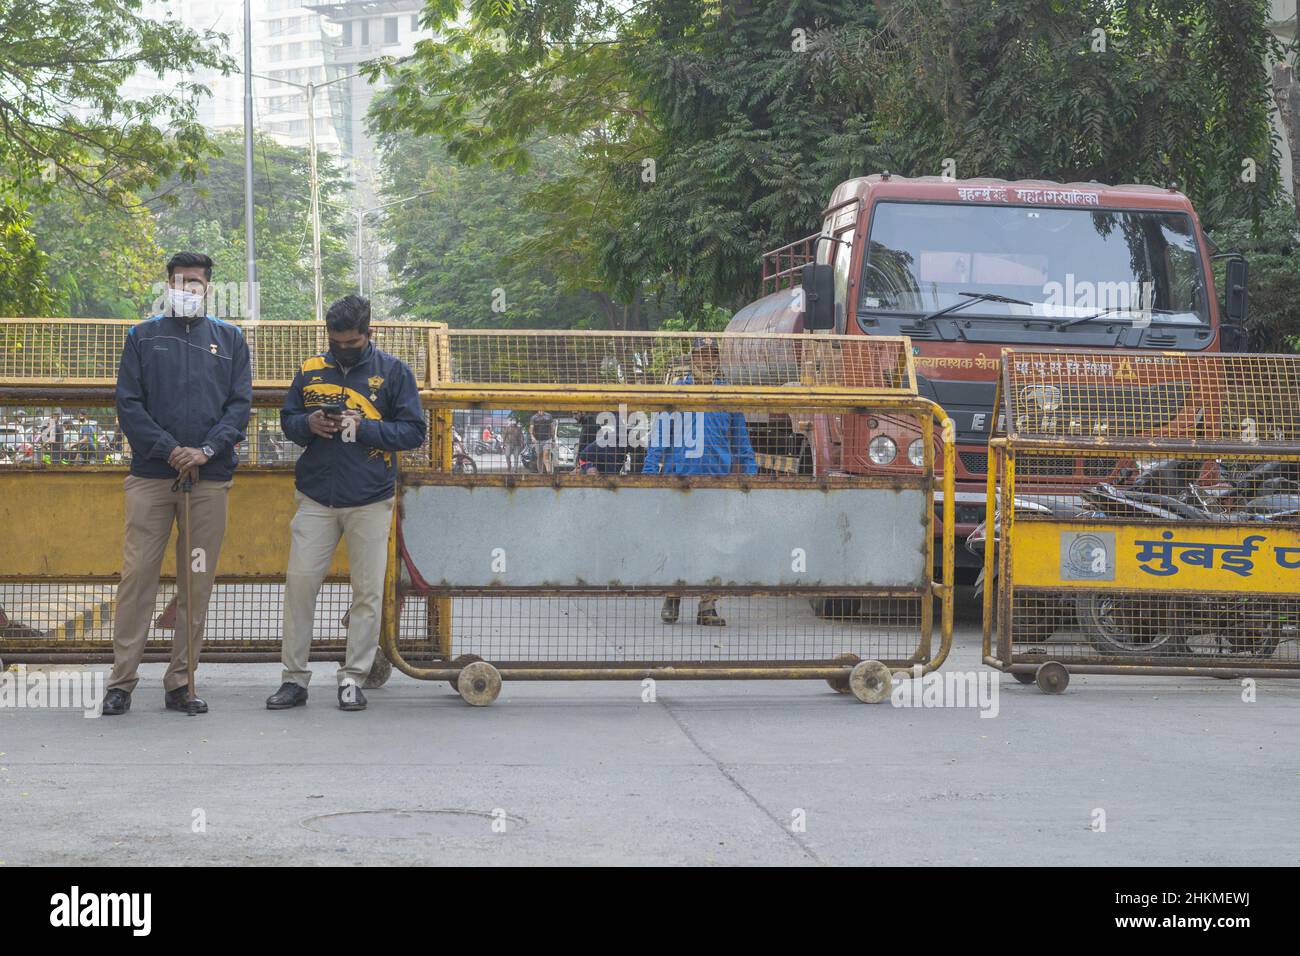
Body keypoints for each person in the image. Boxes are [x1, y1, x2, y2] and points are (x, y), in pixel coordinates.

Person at [102, 251, 253, 716]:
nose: (186, 287)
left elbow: (239, 405)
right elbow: (129, 404)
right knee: (137, 579)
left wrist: (205, 451)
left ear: (208, 288)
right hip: (151, 478)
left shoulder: (229, 340)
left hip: (209, 482)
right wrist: (170, 450)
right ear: (166, 284)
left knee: (196, 581)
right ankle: (122, 681)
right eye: (179, 280)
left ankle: (181, 682)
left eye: (195, 281)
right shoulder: (143, 337)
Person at [266, 295, 427, 713]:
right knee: (300, 585)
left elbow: (413, 432)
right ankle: (294, 678)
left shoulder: (394, 372)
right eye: (335, 341)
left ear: (369, 334)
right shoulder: (309, 369)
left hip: (370, 497)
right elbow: (287, 420)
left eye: (350, 342)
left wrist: (365, 427)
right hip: (316, 495)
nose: (342, 348)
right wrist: (309, 423)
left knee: (368, 591)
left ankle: (353, 676)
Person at [643, 337, 756, 627]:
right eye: (701, 355)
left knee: (715, 542)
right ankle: (673, 594)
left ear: (718, 359)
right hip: (678, 479)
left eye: (711, 355)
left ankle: (708, 605)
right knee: (677, 539)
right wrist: (647, 479)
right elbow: (659, 438)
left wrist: (750, 476)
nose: (706, 360)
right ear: (692, 358)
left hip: (717, 481)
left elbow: (741, 440)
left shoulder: (728, 395)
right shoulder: (678, 392)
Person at [529, 409, 556, 474]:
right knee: (539, 456)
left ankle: (549, 472)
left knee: (546, 456)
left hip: (547, 439)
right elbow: (531, 428)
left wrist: (553, 439)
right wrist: (532, 437)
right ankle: (540, 473)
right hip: (538, 439)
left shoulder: (549, 416)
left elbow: (552, 428)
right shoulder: (534, 417)